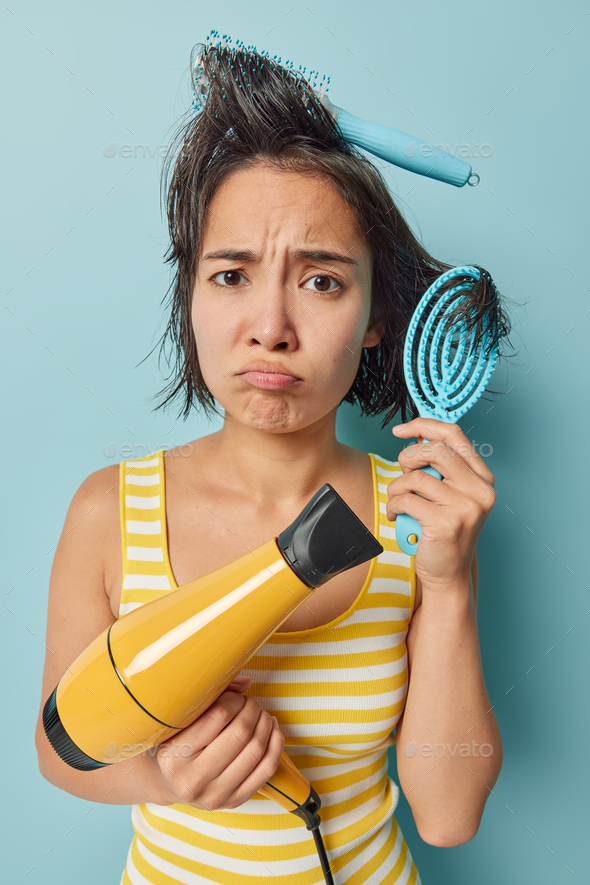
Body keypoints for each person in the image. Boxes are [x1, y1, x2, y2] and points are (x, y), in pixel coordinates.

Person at [35, 38, 508, 885]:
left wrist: (450, 584)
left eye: (322, 281)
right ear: (190, 294)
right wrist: (168, 779)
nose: (271, 328)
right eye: (232, 275)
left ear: (376, 315)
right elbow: (60, 748)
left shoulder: (419, 516)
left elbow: (447, 817)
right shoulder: (109, 510)